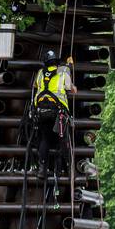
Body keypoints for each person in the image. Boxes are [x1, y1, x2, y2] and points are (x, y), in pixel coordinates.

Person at [28, 49, 73, 185]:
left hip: (41, 110)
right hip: (57, 111)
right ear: (56, 63)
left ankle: (42, 169)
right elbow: (69, 88)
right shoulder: (63, 72)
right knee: (62, 138)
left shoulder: (41, 73)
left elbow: (36, 85)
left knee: (44, 139)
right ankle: (67, 168)